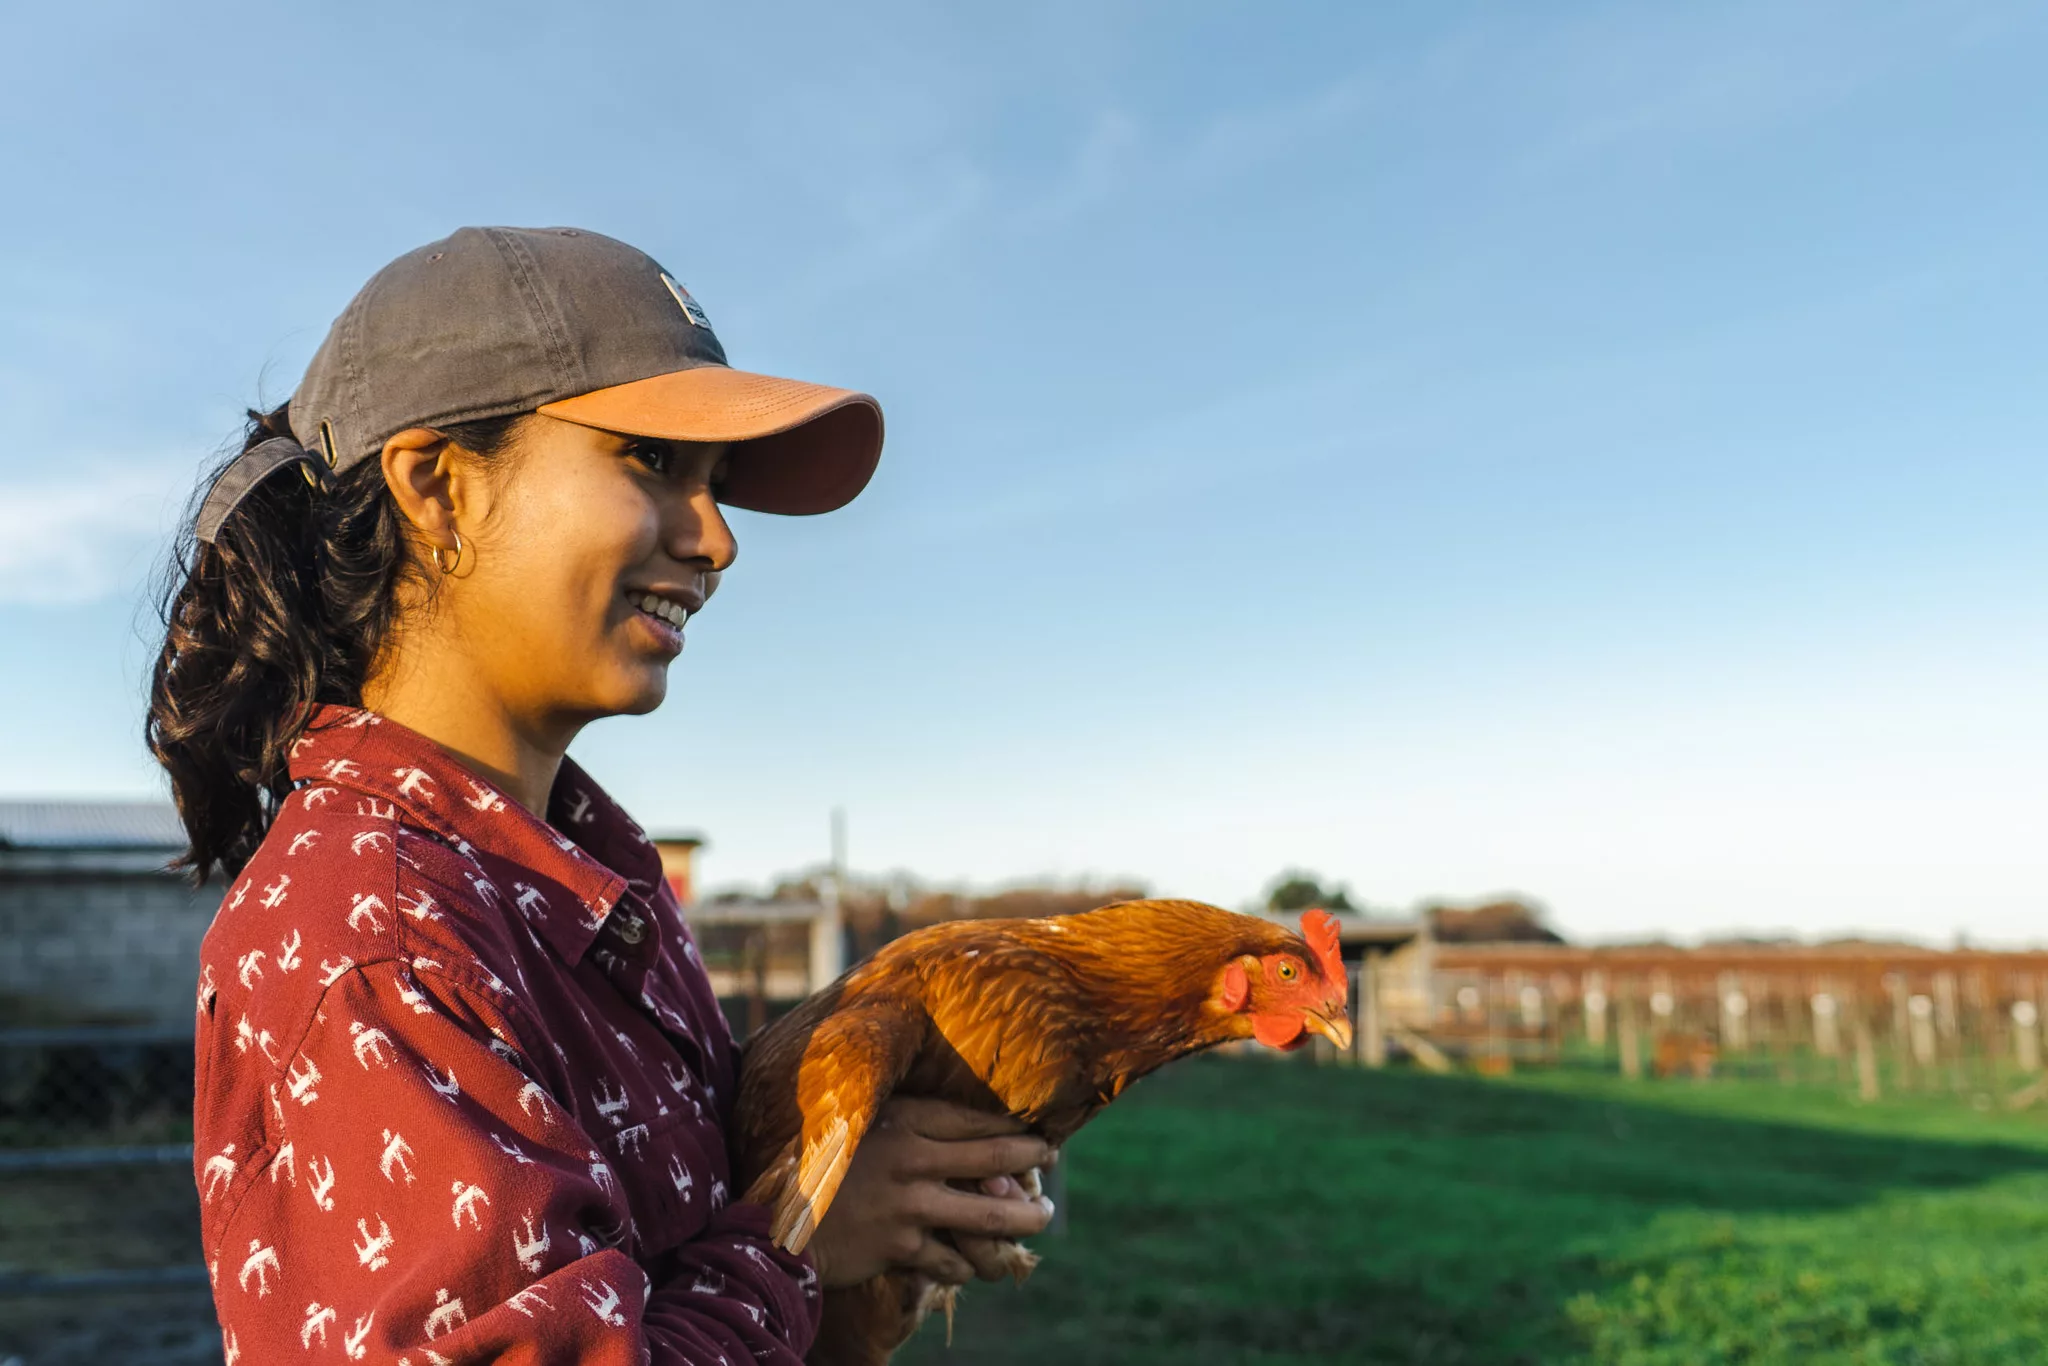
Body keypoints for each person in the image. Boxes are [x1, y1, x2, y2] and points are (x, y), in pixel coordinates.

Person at [150, 226, 1054, 1363]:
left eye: (716, 484)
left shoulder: (583, 875)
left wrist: (877, 1177)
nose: (717, 538)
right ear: (436, 483)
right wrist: (800, 1230)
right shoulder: (380, 933)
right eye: (650, 460)